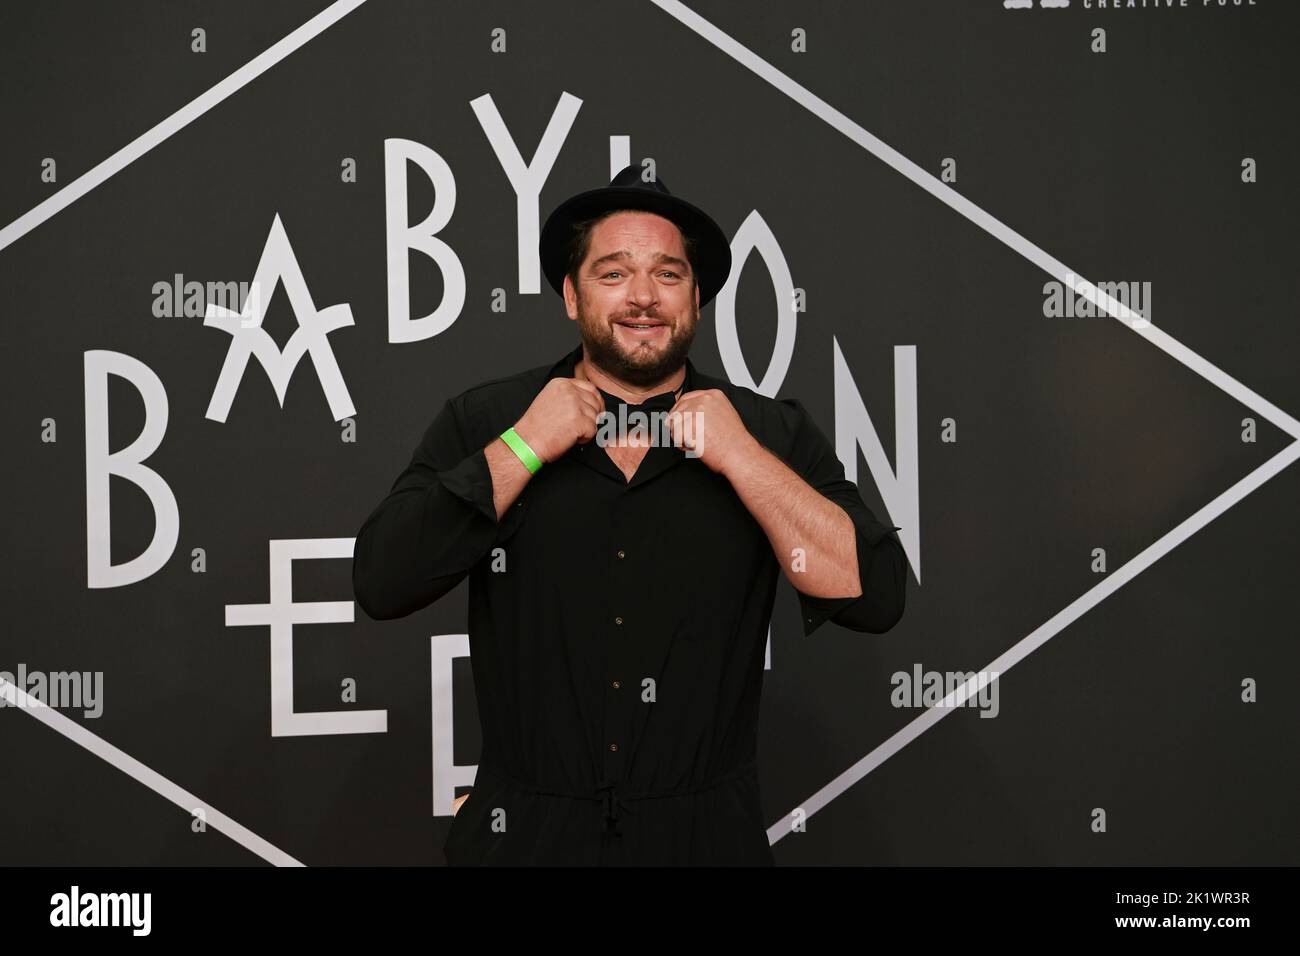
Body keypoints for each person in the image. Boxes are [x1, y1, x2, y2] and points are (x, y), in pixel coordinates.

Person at [352, 165, 907, 865]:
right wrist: (525, 446)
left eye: (668, 275)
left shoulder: (769, 430)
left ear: (697, 300)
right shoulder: (487, 419)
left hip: (705, 840)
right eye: (614, 274)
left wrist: (743, 458)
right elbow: (383, 579)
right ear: (571, 296)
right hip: (523, 838)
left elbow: (877, 596)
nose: (643, 297)